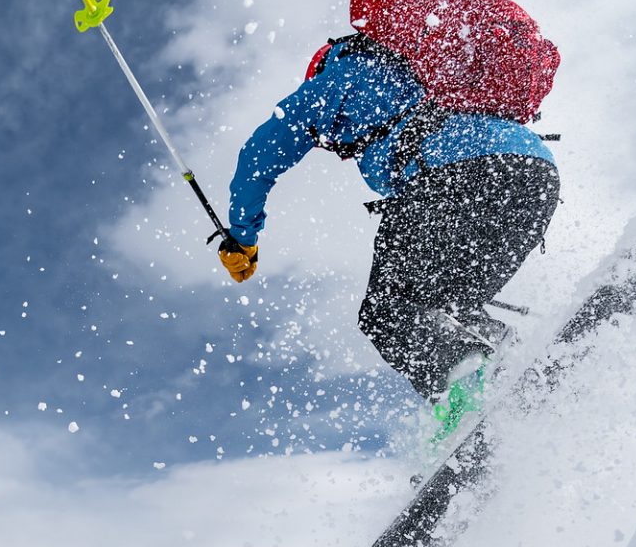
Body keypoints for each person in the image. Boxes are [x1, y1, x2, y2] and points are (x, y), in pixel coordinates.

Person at [218, 33, 559, 401]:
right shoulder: (421, 69)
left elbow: (259, 155)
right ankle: (521, 371)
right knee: (445, 307)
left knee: (385, 312)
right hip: (533, 177)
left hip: (457, 174)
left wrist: (242, 236)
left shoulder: (341, 75)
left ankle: (470, 384)